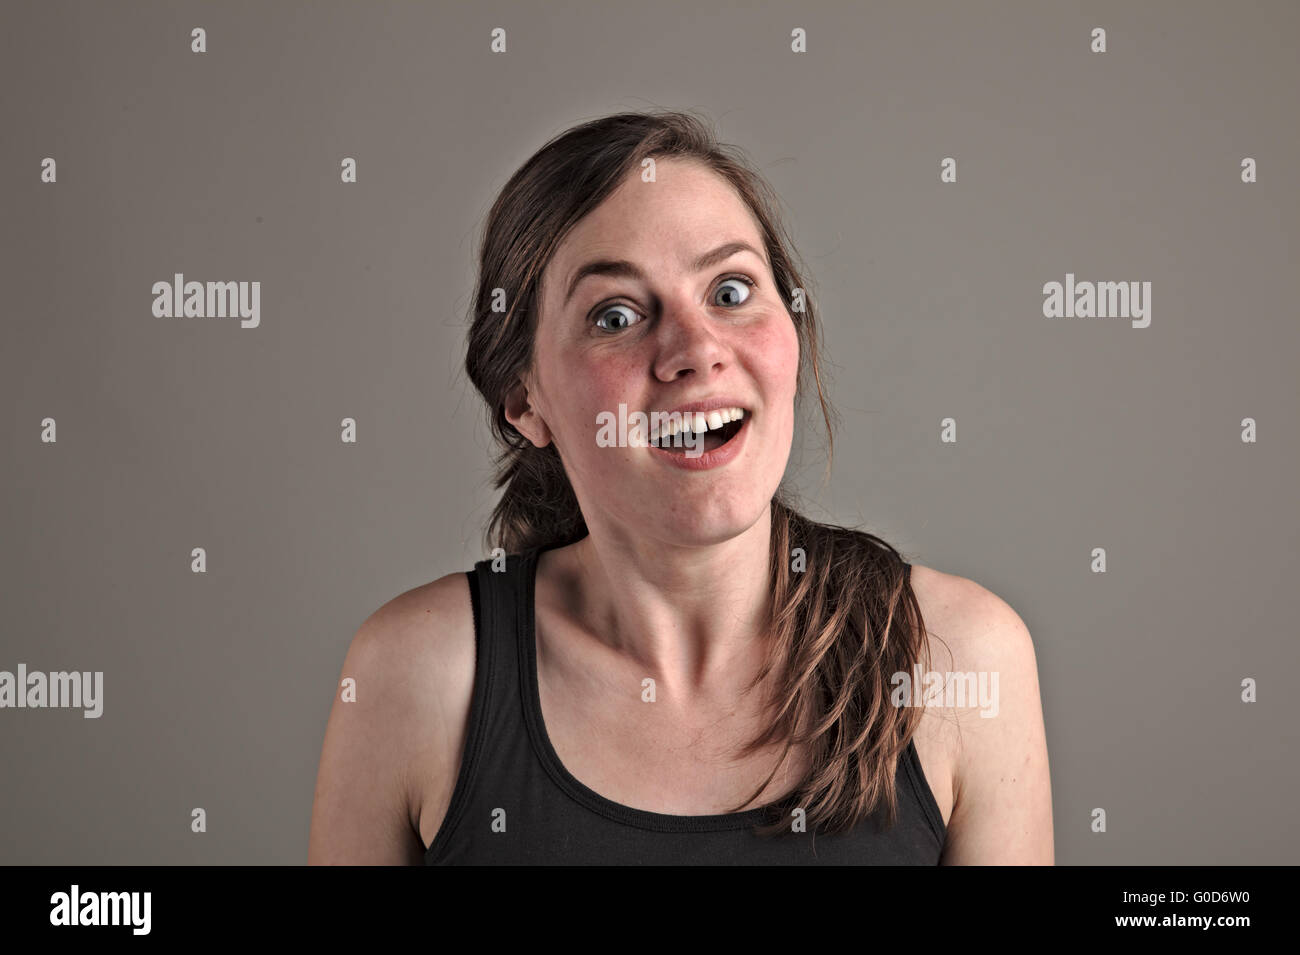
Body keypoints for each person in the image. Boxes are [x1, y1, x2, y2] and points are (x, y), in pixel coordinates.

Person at [308, 109, 1053, 864]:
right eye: (615, 315)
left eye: (730, 291)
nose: (696, 349)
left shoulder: (958, 659)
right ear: (525, 400)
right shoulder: (416, 676)